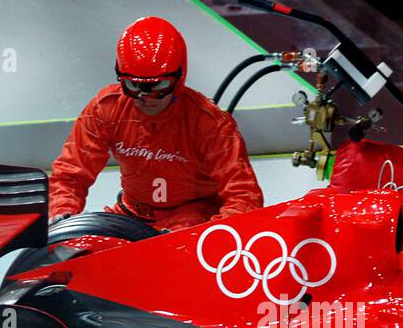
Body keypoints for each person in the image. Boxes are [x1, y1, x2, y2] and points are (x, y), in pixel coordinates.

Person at [48, 16, 263, 231]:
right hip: (132, 212)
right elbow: (70, 174)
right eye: (134, 85)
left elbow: (243, 196)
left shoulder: (210, 123)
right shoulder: (105, 109)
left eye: (158, 86)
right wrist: (63, 214)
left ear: (179, 77)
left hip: (196, 218)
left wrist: (207, 237)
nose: (146, 97)